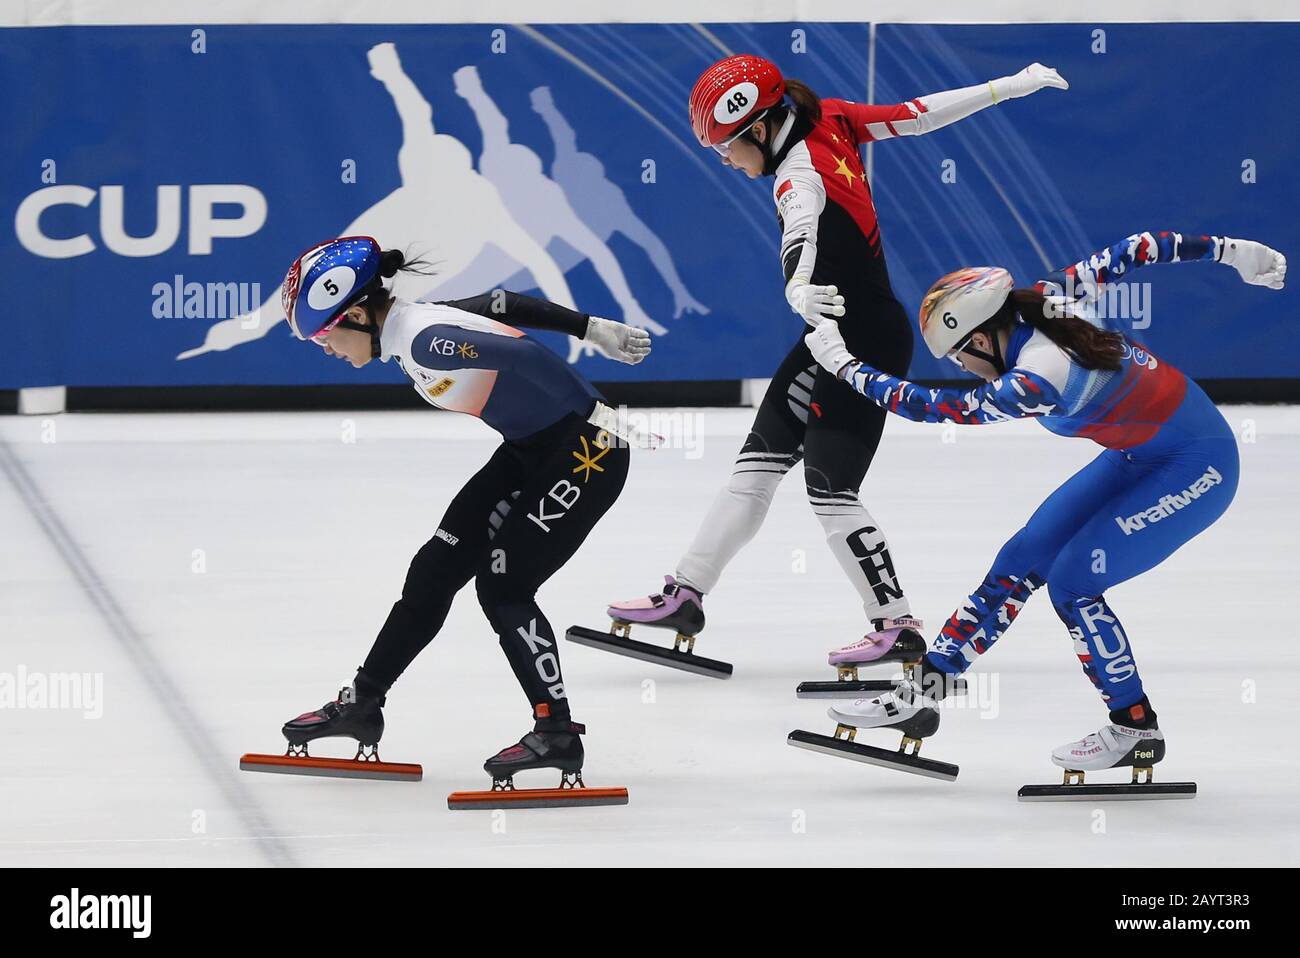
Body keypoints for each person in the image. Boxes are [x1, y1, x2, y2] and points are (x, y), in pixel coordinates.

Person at [608, 54, 1069, 662]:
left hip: (860, 342)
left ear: (759, 128)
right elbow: (917, 116)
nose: (724, 160)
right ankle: (686, 592)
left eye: (725, 146)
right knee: (757, 465)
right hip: (833, 334)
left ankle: (897, 625)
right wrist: (1002, 87)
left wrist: (797, 288)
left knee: (830, 492)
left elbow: (800, 231)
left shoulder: (794, 172)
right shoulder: (829, 117)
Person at [803, 229, 1286, 773]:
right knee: (1017, 562)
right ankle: (920, 698)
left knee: (1075, 584)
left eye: (960, 356)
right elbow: (1141, 247)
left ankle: (1134, 727)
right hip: (1140, 456)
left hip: (1200, 467)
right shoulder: (1050, 297)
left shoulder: (1038, 377)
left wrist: (845, 366)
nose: (961, 368)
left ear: (982, 338)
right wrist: (1234, 254)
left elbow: (933, 408)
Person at [276, 235, 652, 785]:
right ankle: (362, 702)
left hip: (587, 452)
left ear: (356, 313)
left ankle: (557, 733)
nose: (325, 347)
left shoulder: (426, 340)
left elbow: (521, 354)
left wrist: (597, 414)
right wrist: (589, 328)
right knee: (434, 571)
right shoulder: (415, 324)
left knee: (503, 586)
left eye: (323, 335)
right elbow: (502, 305)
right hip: (534, 450)